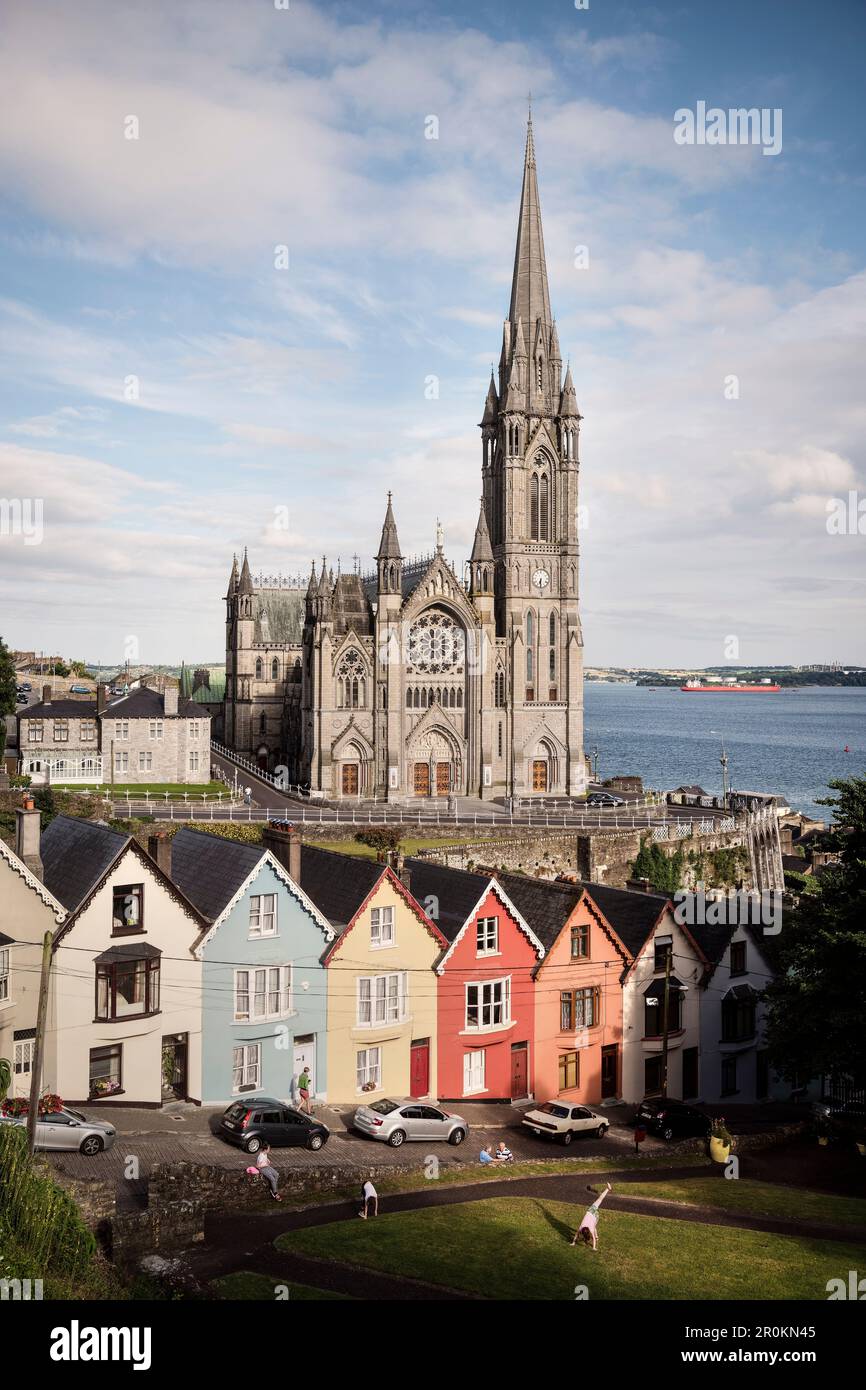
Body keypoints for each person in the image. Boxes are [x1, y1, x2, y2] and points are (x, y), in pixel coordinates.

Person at [571, 1183, 612, 1250]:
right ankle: (608, 1189)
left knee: (594, 1226)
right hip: (593, 1213)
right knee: (600, 1199)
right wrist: (594, 1248)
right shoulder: (582, 1227)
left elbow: (576, 1235)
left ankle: (597, 1237)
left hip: (593, 1213)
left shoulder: (582, 1228)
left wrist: (573, 1242)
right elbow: (577, 1235)